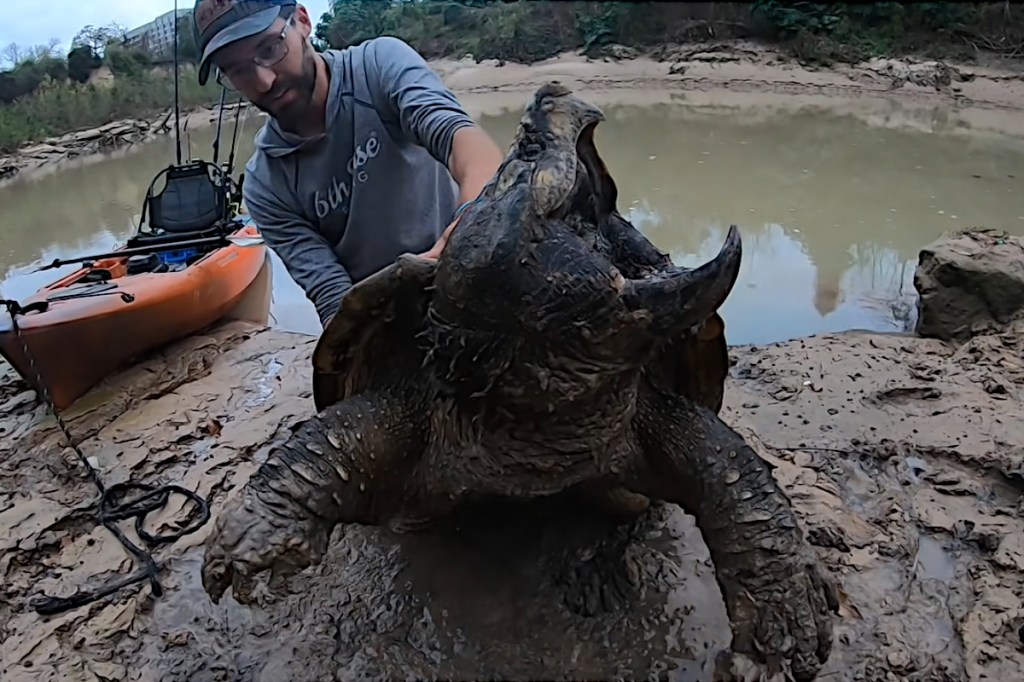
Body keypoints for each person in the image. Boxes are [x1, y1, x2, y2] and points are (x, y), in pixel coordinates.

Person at [192, 0, 505, 328]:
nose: (264, 81)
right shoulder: (265, 186)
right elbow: (331, 294)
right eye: (238, 70)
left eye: (270, 48)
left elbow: (460, 140)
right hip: (387, 319)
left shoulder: (378, 66)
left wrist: (474, 222)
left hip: (470, 269)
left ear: (302, 21)